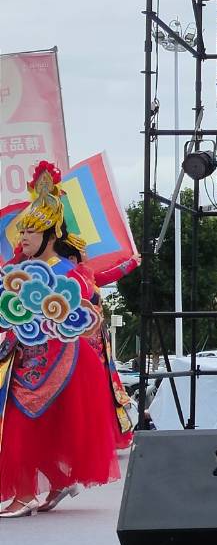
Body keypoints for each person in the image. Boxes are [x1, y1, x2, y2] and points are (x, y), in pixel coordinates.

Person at [0, 162, 121, 518]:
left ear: (50, 234)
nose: (22, 240)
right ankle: (55, 479)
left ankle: (24, 494)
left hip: (58, 359)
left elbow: (85, 312)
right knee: (29, 426)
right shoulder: (19, 272)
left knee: (22, 423)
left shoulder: (68, 273)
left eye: (30, 234)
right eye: (22, 233)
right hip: (26, 357)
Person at [63, 240, 140, 451]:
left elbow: (108, 275)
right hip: (81, 344)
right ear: (71, 258)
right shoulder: (68, 279)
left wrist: (131, 263)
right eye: (82, 251)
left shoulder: (86, 275)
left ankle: (101, 436)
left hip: (99, 343)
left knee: (105, 390)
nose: (86, 254)